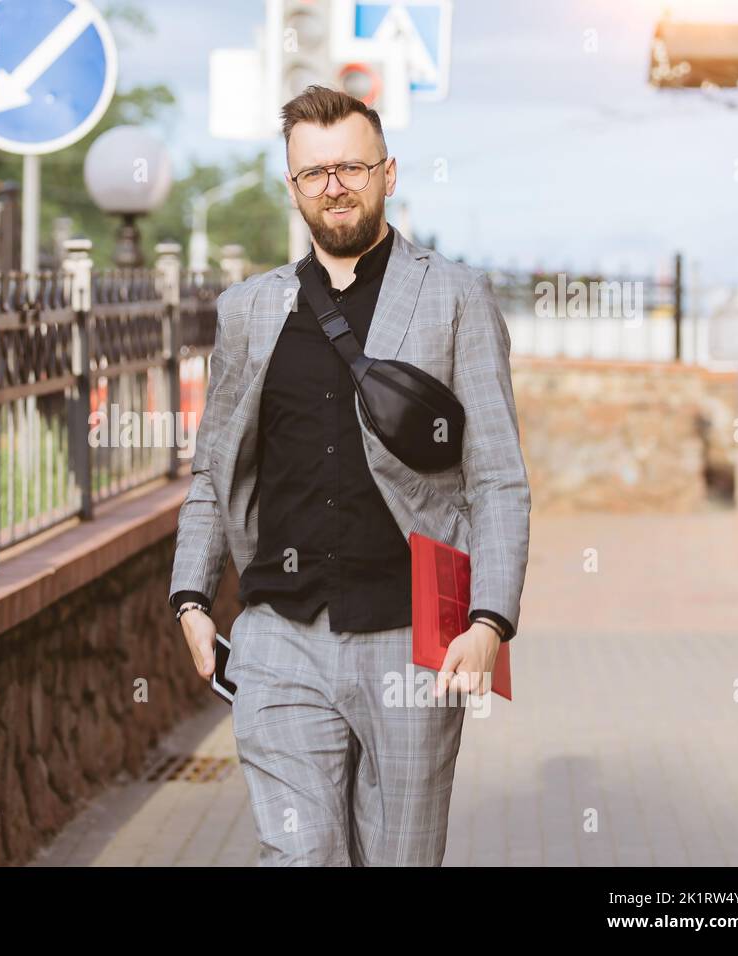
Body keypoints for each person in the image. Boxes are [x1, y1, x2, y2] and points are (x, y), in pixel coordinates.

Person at [169, 85, 531, 866]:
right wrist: (192, 596)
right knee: (301, 856)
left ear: (388, 173)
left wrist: (489, 620)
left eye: (352, 167)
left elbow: (497, 477)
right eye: (314, 173)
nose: (334, 185)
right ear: (292, 188)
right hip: (280, 636)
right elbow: (214, 468)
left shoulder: (456, 298)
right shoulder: (249, 311)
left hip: (413, 631)